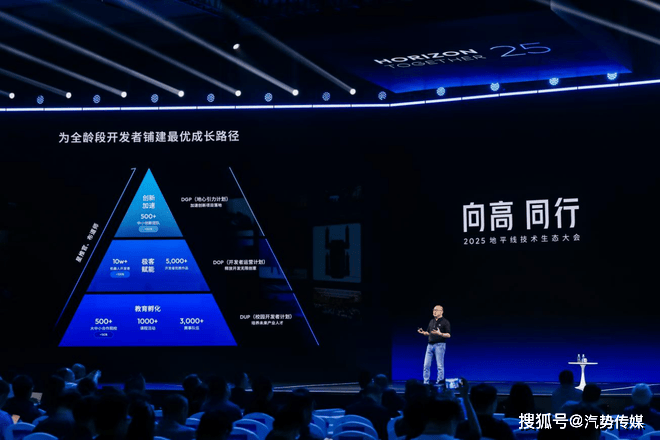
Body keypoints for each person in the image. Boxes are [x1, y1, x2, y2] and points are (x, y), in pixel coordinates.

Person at [417, 305, 451, 385]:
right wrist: (423, 332)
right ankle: (426, 383)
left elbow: (449, 335)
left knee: (440, 366)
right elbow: (429, 333)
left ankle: (439, 383)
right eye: (433, 310)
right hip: (429, 346)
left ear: (441, 311)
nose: (434, 312)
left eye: (436, 310)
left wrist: (440, 334)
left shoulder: (445, 322)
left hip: (440, 345)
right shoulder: (431, 321)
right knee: (426, 365)